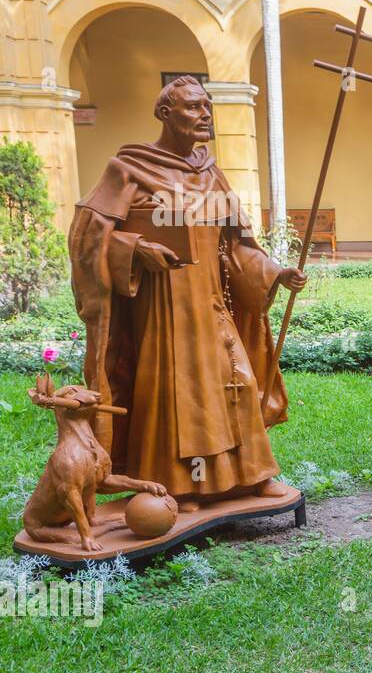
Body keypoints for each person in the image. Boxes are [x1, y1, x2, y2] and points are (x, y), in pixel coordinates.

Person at [68, 76, 307, 510]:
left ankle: (252, 477)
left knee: (238, 380)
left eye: (206, 107)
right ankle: (180, 484)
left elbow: (234, 243)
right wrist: (137, 249)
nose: (205, 116)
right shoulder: (129, 169)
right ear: (164, 113)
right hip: (162, 309)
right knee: (179, 392)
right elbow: (88, 240)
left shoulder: (210, 173)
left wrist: (273, 271)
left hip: (213, 305)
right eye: (193, 108)